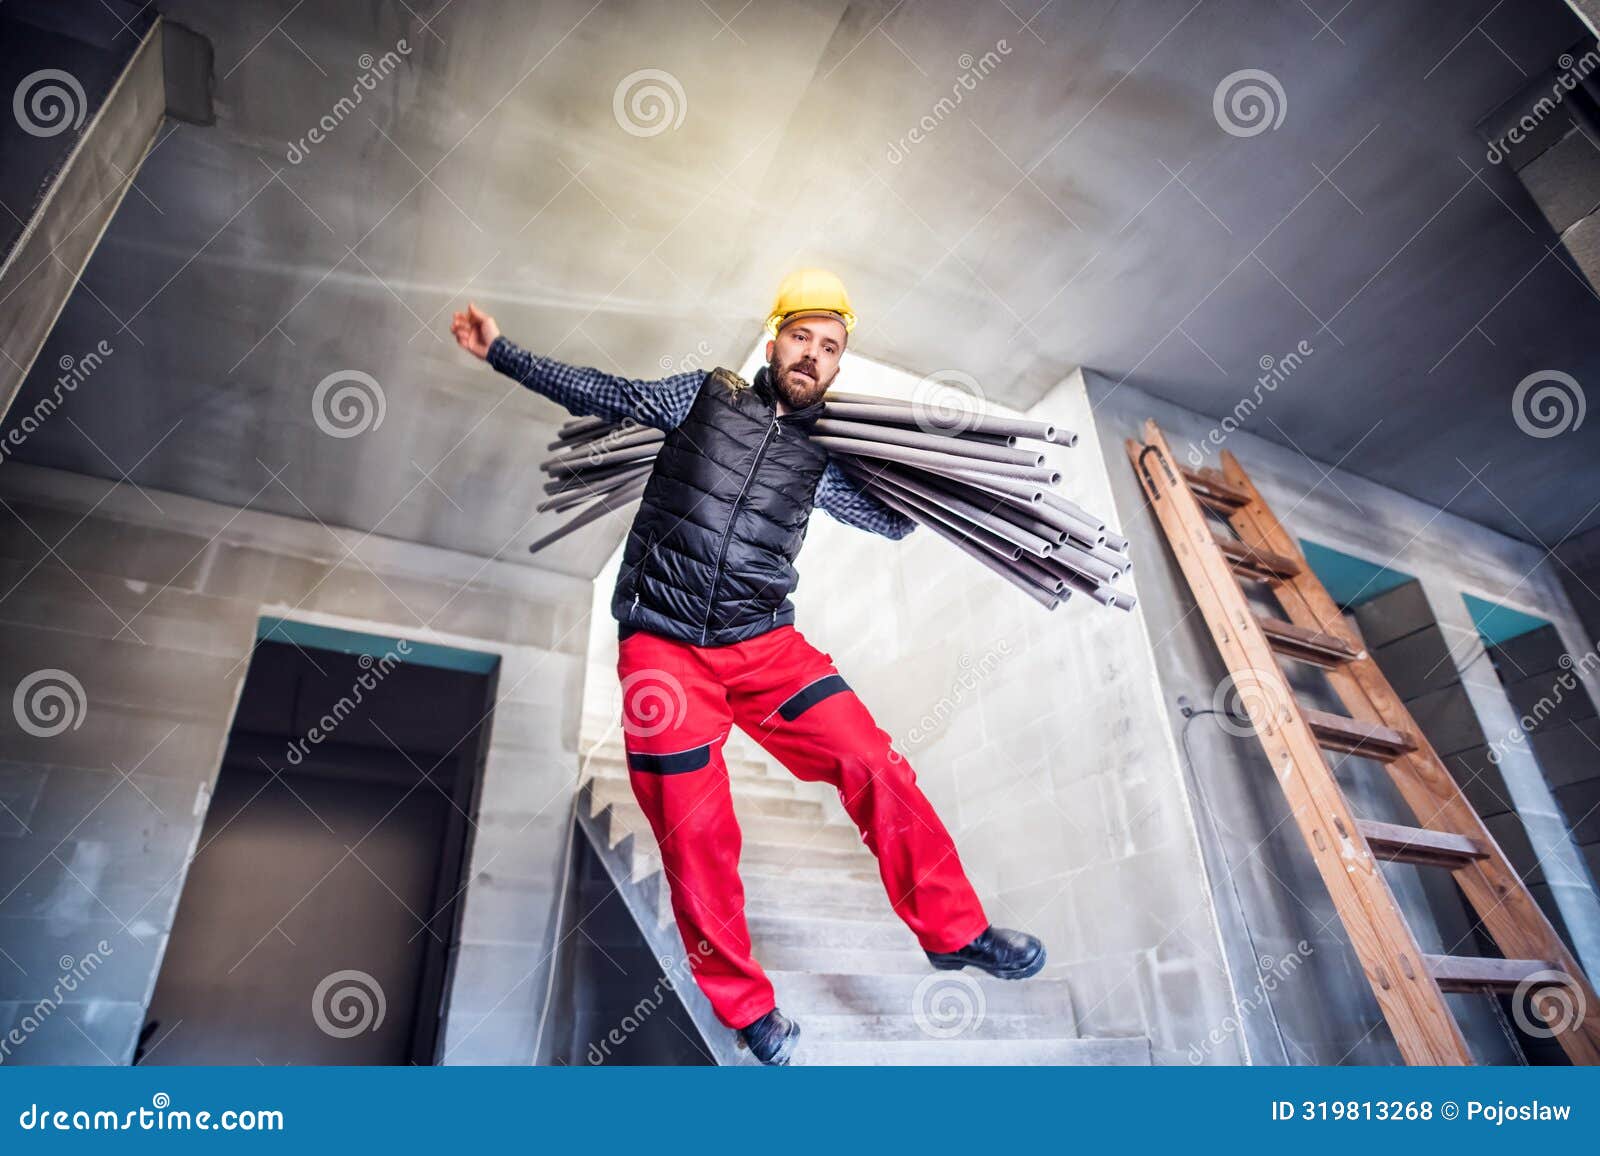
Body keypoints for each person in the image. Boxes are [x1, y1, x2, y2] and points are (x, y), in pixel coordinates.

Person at [452, 270, 1044, 1066]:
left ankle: (954, 932)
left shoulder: (823, 456)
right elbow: (601, 389)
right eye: (803, 336)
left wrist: (928, 468)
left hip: (762, 643)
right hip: (662, 644)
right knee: (694, 828)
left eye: (831, 347)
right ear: (774, 339)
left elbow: (892, 525)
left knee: (873, 761)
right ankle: (747, 1008)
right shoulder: (703, 397)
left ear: (838, 367)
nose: (813, 355)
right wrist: (502, 353)